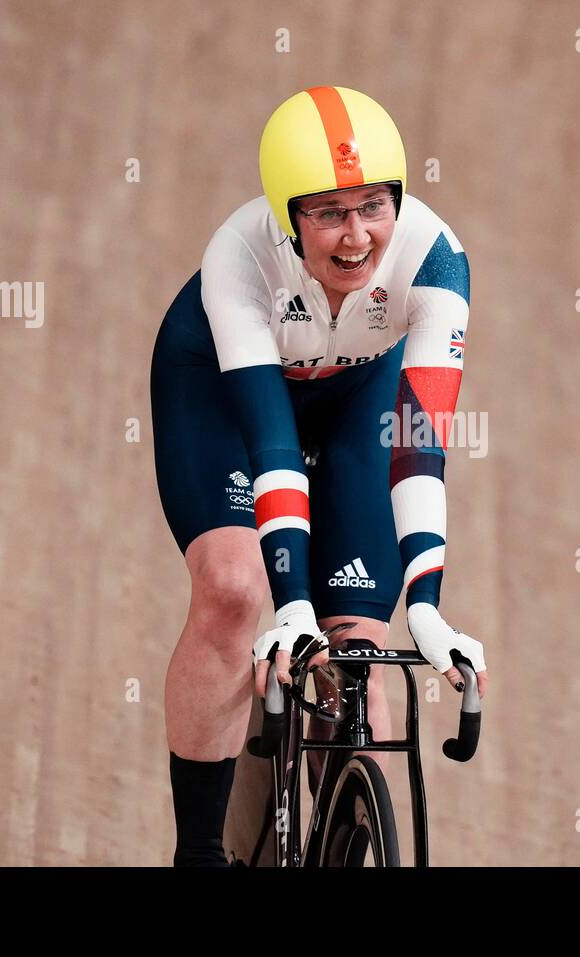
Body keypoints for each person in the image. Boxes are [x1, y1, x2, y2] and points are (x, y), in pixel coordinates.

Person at [150, 86, 488, 866]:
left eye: (372, 206)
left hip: (356, 405)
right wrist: (291, 600)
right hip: (228, 395)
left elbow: (418, 442)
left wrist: (429, 603)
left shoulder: (438, 260)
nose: (355, 235)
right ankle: (199, 851)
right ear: (285, 216)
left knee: (360, 672)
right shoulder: (239, 257)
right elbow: (271, 442)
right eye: (329, 212)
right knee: (236, 592)